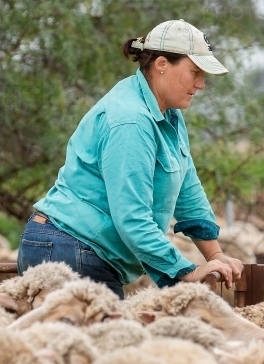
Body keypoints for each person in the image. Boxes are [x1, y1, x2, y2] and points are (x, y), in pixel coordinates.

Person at [17, 19, 244, 299]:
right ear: (161, 64)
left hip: (82, 250)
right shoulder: (131, 121)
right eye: (195, 72)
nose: (201, 84)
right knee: (97, 342)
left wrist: (216, 255)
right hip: (69, 250)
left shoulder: (169, 116)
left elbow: (188, 191)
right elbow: (132, 218)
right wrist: (185, 271)